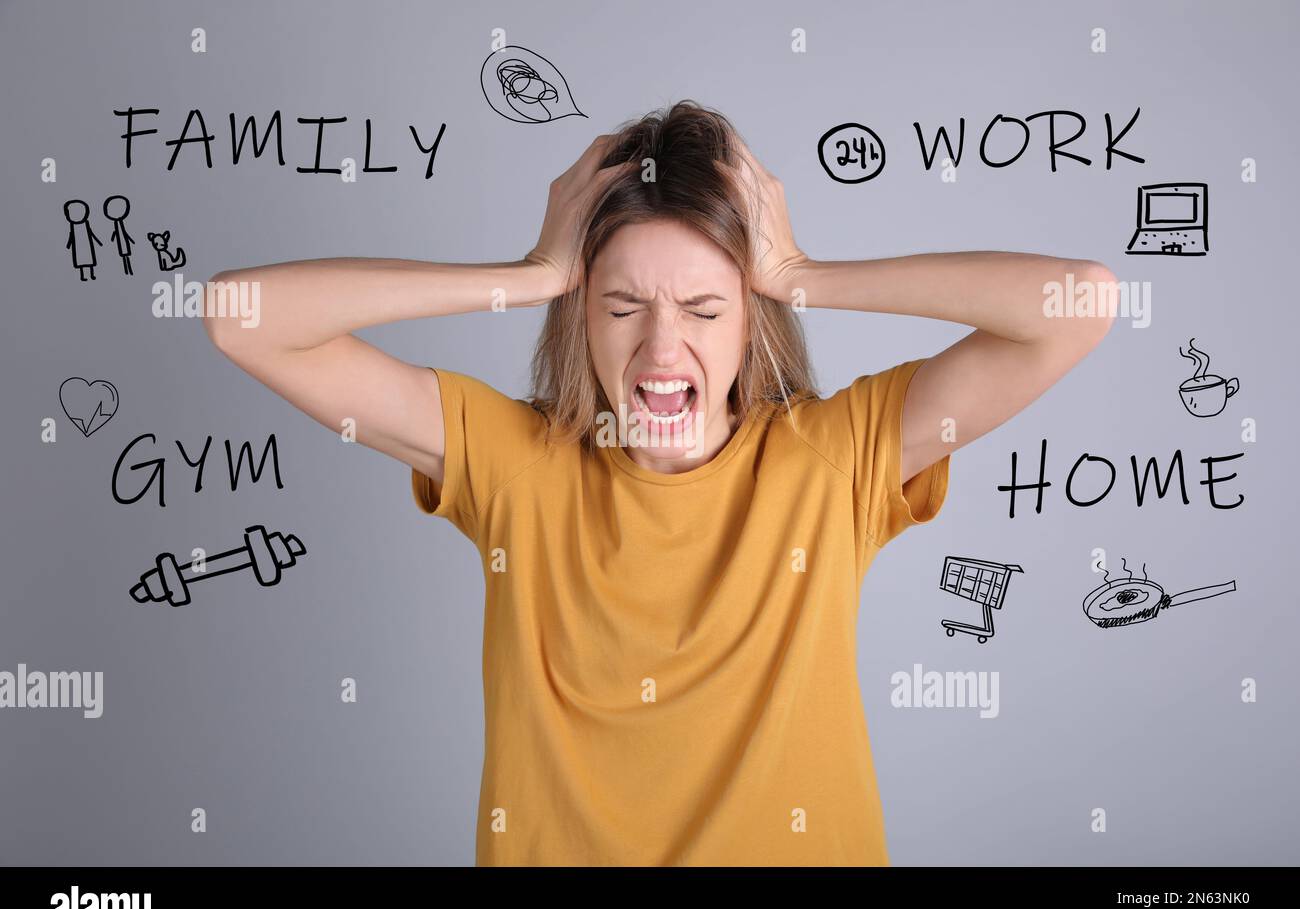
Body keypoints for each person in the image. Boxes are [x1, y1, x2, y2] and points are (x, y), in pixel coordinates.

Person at [202, 101, 1115, 865]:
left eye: (705, 309)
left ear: (753, 321)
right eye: (623, 306)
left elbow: (1079, 304)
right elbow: (242, 319)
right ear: (581, 318)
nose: (662, 349)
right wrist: (527, 275)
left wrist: (803, 273)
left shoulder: (833, 460)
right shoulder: (515, 465)